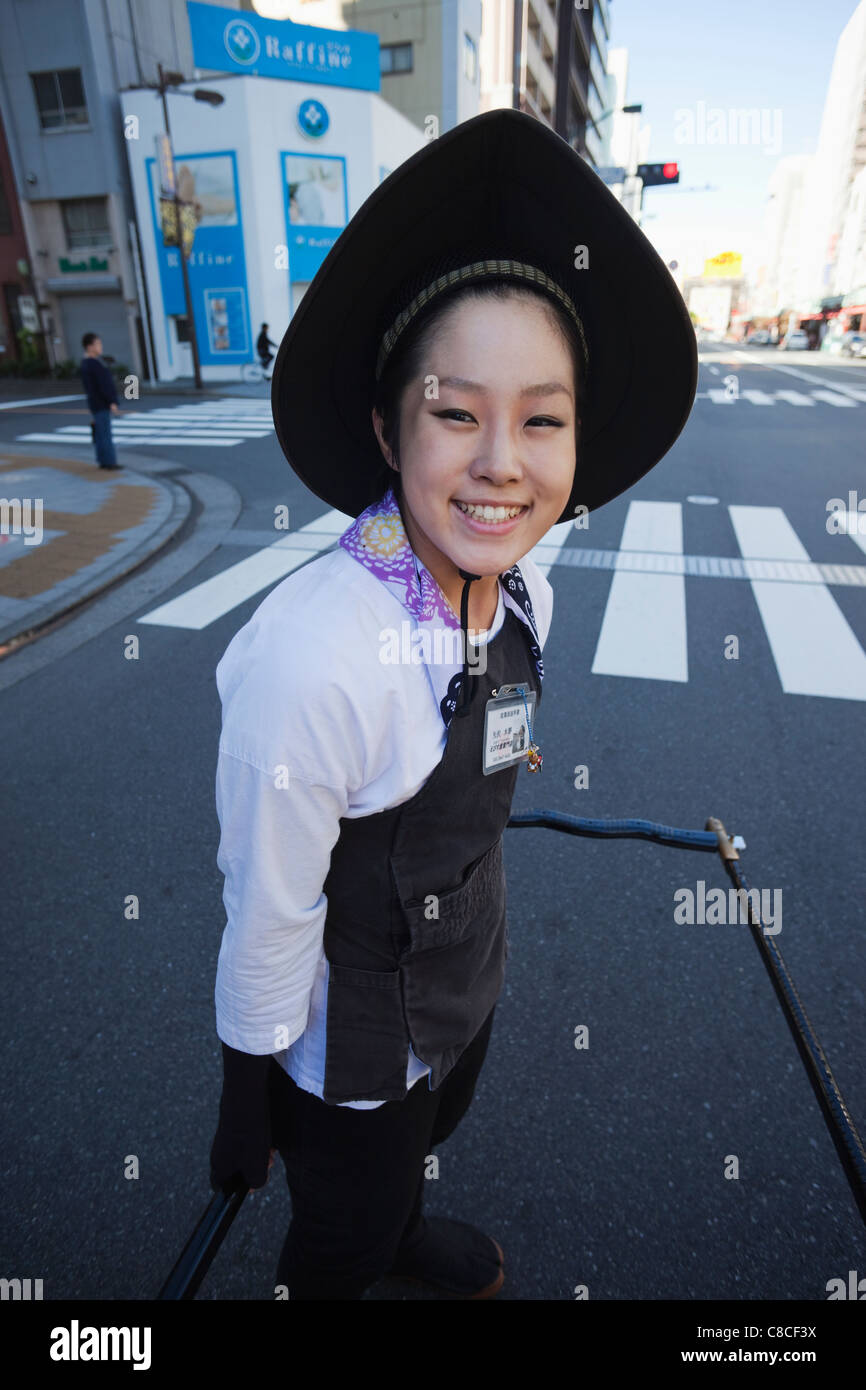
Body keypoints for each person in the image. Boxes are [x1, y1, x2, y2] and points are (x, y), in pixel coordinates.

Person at [208, 109, 697, 1301]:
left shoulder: (521, 580)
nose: (501, 464)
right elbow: (269, 914)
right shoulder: (311, 659)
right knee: (345, 1217)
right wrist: (247, 1094)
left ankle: (403, 1221)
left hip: (465, 961)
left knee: (425, 1136)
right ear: (387, 426)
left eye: (541, 417)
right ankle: (356, 1251)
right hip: (355, 1033)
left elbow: (497, 699)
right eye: (454, 412)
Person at [80, 332, 122, 470]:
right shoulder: (94, 365)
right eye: (98, 344)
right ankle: (109, 462)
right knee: (105, 433)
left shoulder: (86, 364)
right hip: (101, 403)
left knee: (100, 433)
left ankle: (103, 460)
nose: (100, 346)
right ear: (90, 346)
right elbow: (103, 385)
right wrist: (112, 402)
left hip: (94, 403)